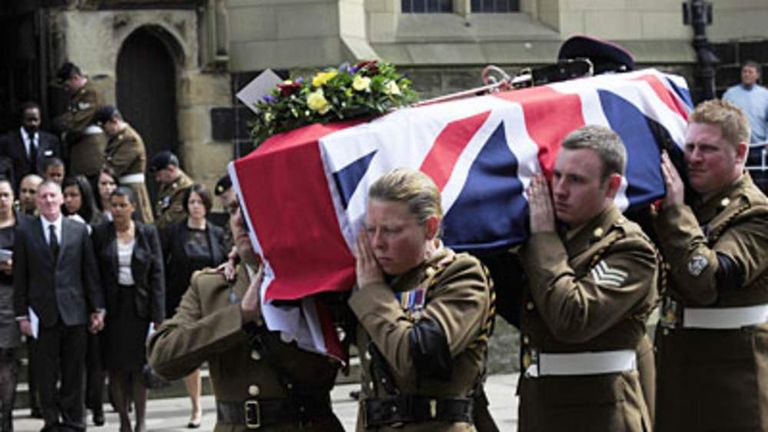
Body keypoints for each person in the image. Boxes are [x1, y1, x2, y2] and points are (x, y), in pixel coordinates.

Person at [148, 184, 345, 431]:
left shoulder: (320, 281)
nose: (239, 218)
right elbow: (161, 357)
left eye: (250, 208)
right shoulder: (210, 286)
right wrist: (240, 316)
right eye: (232, 210)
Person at [515, 125, 658, 431]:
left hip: (600, 414)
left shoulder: (629, 248)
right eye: (558, 175)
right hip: (541, 407)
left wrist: (542, 238)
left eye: (576, 180)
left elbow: (572, 317)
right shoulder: (557, 238)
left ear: (611, 186)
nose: (561, 189)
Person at [652, 99, 768, 431]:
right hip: (678, 366)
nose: (694, 158)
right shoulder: (692, 203)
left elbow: (709, 282)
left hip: (733, 376)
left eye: (708, 148)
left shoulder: (755, 213)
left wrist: (675, 215)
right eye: (689, 146)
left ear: (740, 152)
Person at [351, 168, 495, 431]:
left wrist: (372, 291)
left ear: (430, 227)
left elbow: (416, 358)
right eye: (370, 230)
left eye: (392, 231)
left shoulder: (461, 275)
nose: (377, 243)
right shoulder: (375, 278)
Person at [13, 180, 105, 431]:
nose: (49, 201)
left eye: (53, 196)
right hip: (42, 314)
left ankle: (74, 420)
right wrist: (21, 314)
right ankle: (51, 420)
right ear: (37, 201)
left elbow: (90, 272)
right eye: (43, 197)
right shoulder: (25, 232)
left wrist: (97, 308)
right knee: (45, 371)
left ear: (62, 199)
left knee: (74, 370)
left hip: (74, 311)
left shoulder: (78, 231)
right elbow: (20, 277)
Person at [92, 187, 164, 432]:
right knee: (116, 368)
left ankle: (141, 421)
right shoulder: (101, 233)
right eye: (114, 205)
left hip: (139, 307)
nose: (118, 210)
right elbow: (94, 275)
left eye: (123, 205)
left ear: (133, 207)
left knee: (137, 367)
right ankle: (123, 420)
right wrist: (97, 307)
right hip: (112, 310)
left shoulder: (147, 233)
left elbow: (157, 274)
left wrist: (158, 315)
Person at [160, 184, 226, 428]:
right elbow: (165, 267)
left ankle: (222, 402)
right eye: (191, 202)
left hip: (212, 301)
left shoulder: (217, 233)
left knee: (218, 352)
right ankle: (196, 407)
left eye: (200, 202)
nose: (195, 207)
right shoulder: (173, 233)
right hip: (185, 301)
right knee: (192, 354)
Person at [94, 106, 154, 224]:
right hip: (121, 187)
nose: (104, 132)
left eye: (105, 127)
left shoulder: (130, 139)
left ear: (114, 121)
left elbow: (114, 167)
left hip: (133, 189)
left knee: (139, 223)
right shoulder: (117, 138)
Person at [54, 62, 107, 184]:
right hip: (79, 152)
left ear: (75, 78)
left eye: (67, 85)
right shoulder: (78, 95)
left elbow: (76, 123)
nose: (66, 90)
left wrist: (63, 122)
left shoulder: (91, 93)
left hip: (90, 152)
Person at [0, 102, 61, 193]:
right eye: (29, 120)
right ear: (22, 120)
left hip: (45, 191)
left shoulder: (51, 141)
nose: (33, 124)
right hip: (17, 190)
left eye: (36, 120)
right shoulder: (7, 141)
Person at [0, 178, 20, 431]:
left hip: (11, 295)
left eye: (5, 195)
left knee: (6, 355)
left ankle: (6, 416)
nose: (1, 200)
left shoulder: (22, 227)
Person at [722, 60, 768, 144]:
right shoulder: (730, 94)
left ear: (757, 75)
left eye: (750, 72)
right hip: (737, 144)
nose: (746, 74)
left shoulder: (765, 95)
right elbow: (723, 119)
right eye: (744, 72)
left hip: (760, 145)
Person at [150, 151, 193, 230]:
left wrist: (152, 228)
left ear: (171, 169)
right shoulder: (166, 185)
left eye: (159, 175)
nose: (157, 179)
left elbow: (172, 217)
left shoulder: (185, 188)